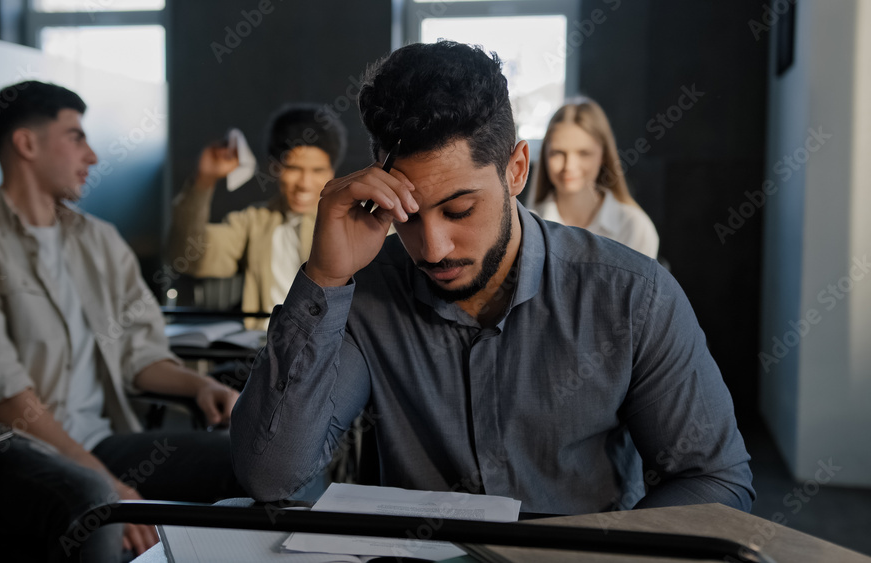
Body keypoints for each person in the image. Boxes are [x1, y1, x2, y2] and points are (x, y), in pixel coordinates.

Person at [230, 41, 754, 515]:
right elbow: (272, 477)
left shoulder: (633, 297)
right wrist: (323, 277)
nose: (432, 248)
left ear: (517, 170)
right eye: (408, 214)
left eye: (459, 210)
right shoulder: (364, 296)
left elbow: (713, 479)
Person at [0, 81, 242, 562]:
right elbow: (5, 399)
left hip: (96, 443)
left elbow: (139, 355)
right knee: (92, 499)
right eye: (76, 137)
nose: (91, 155)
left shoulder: (101, 242)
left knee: (253, 458)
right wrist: (112, 486)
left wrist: (197, 387)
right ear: (27, 143)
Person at [166, 105, 347, 326]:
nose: (305, 184)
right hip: (261, 351)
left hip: (330, 351)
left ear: (332, 172)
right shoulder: (253, 223)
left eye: (318, 171)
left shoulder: (352, 222)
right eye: (293, 168)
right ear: (274, 167)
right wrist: (204, 182)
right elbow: (187, 257)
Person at [528, 98, 660, 258]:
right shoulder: (528, 226)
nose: (569, 166)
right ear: (545, 156)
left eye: (584, 153)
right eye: (558, 153)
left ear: (603, 155)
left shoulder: (634, 227)